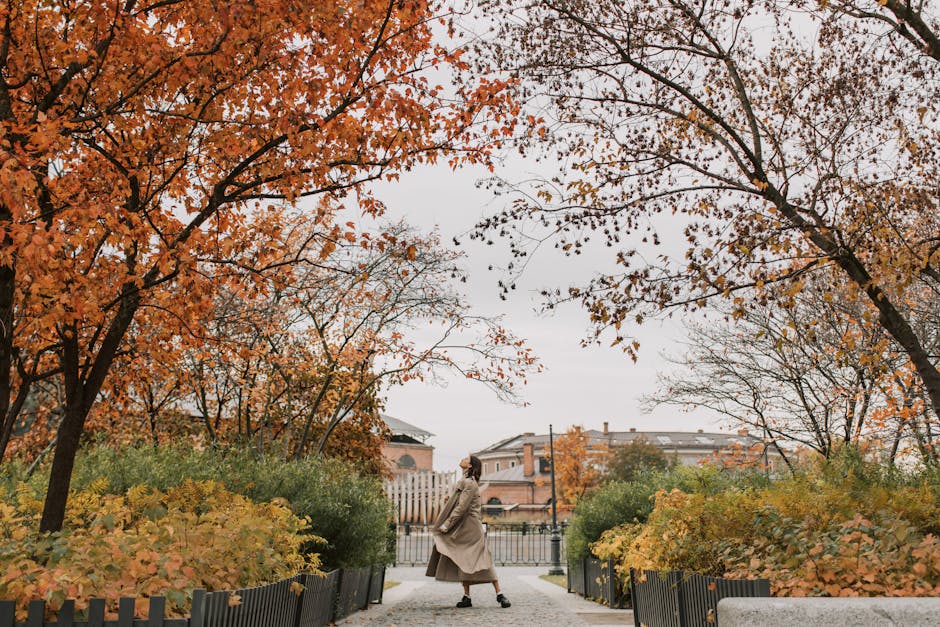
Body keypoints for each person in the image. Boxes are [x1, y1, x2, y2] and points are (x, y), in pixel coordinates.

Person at [426, 455, 511, 609]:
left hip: (471, 529)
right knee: (461, 558)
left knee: (483, 559)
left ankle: (500, 594)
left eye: (466, 458)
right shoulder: (465, 481)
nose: (462, 459)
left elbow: (462, 507)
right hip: (464, 527)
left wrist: (447, 524)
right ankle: (467, 597)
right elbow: (459, 503)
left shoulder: (470, 484)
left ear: (470, 466)